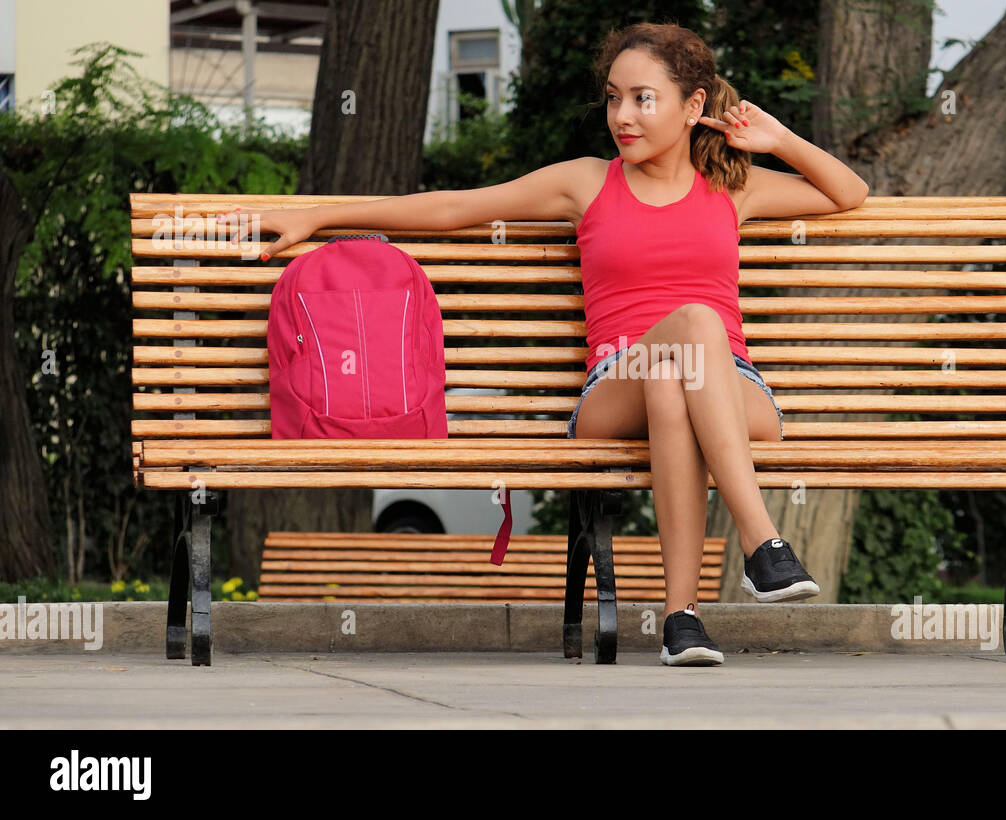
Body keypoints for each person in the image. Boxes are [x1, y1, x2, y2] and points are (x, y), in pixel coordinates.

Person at [217, 22, 869, 668]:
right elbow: (456, 207)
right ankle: (762, 543)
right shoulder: (585, 183)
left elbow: (849, 194)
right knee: (694, 323)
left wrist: (778, 137)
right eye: (614, 97)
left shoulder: (733, 186)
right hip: (615, 386)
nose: (623, 115)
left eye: (643, 98)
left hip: (730, 388)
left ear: (694, 106)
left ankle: (680, 619)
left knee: (678, 377)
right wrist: (320, 216)